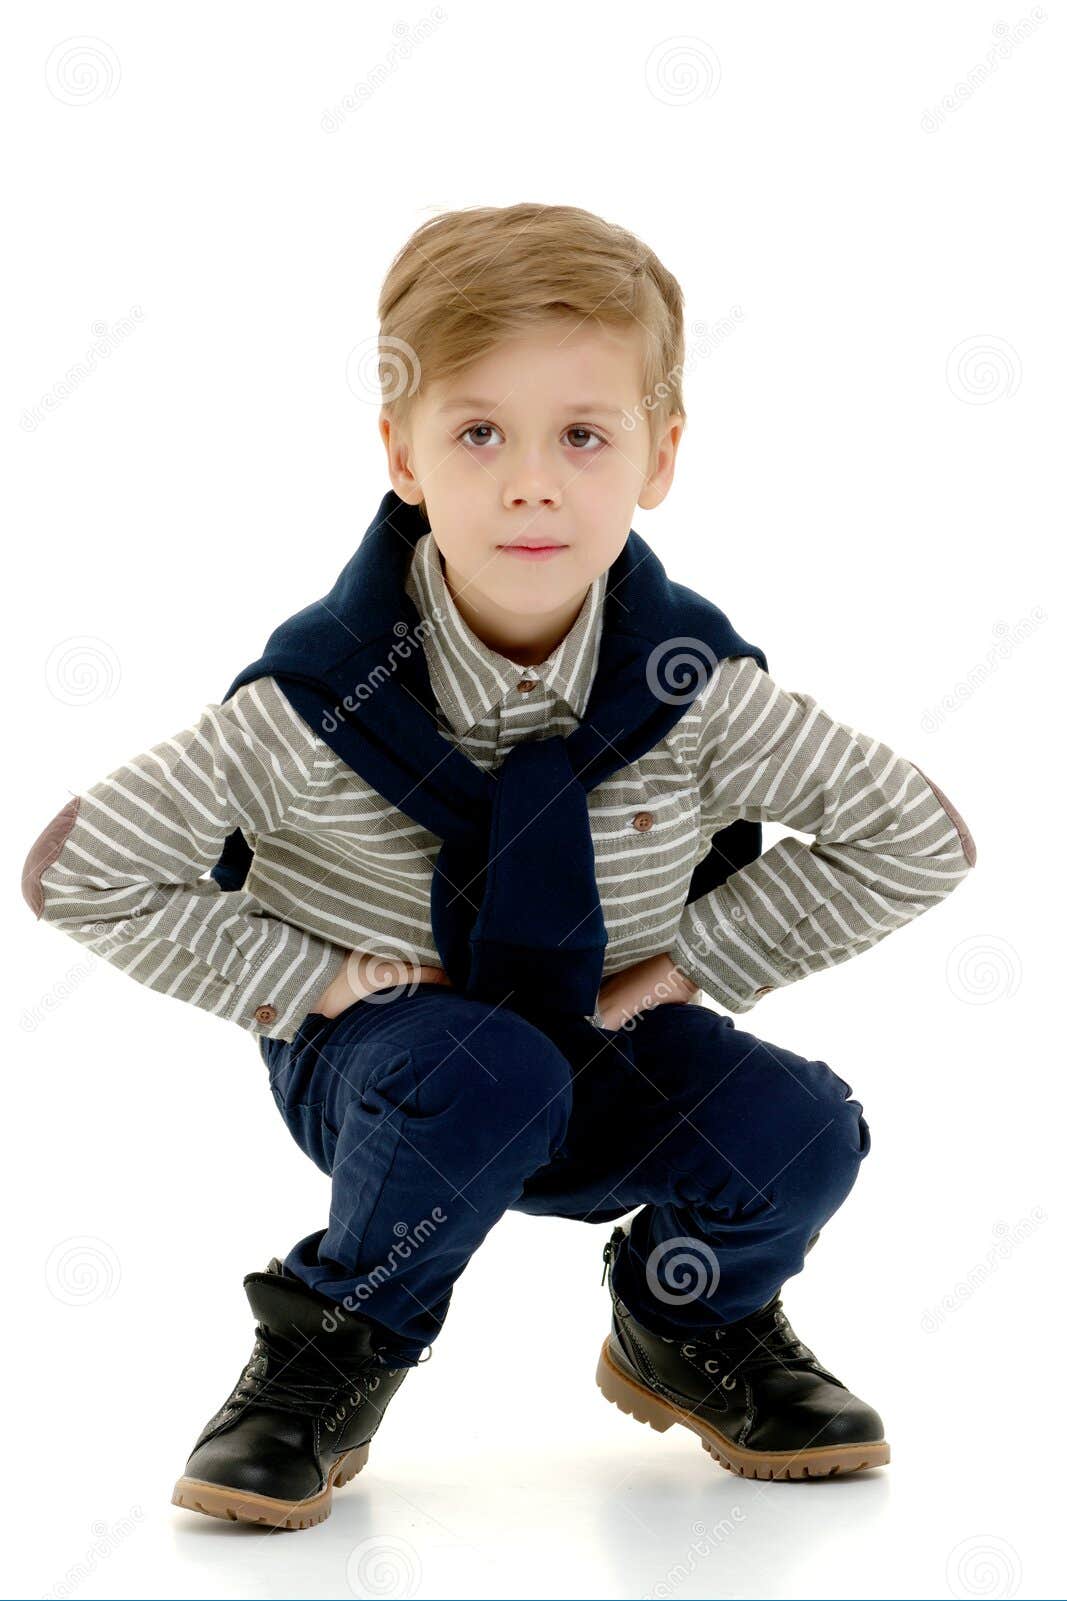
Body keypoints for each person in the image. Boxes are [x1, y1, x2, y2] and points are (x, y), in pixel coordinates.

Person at [21, 203, 977, 1531]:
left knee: (802, 1124)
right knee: (479, 1070)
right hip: (386, 1069)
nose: (533, 481)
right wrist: (319, 976)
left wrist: (684, 968)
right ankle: (326, 1352)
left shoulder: (692, 687)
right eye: (480, 432)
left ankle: (690, 1316)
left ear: (661, 457)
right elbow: (83, 869)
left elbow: (915, 837)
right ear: (401, 455)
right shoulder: (320, 701)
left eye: (584, 435)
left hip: (596, 1035)